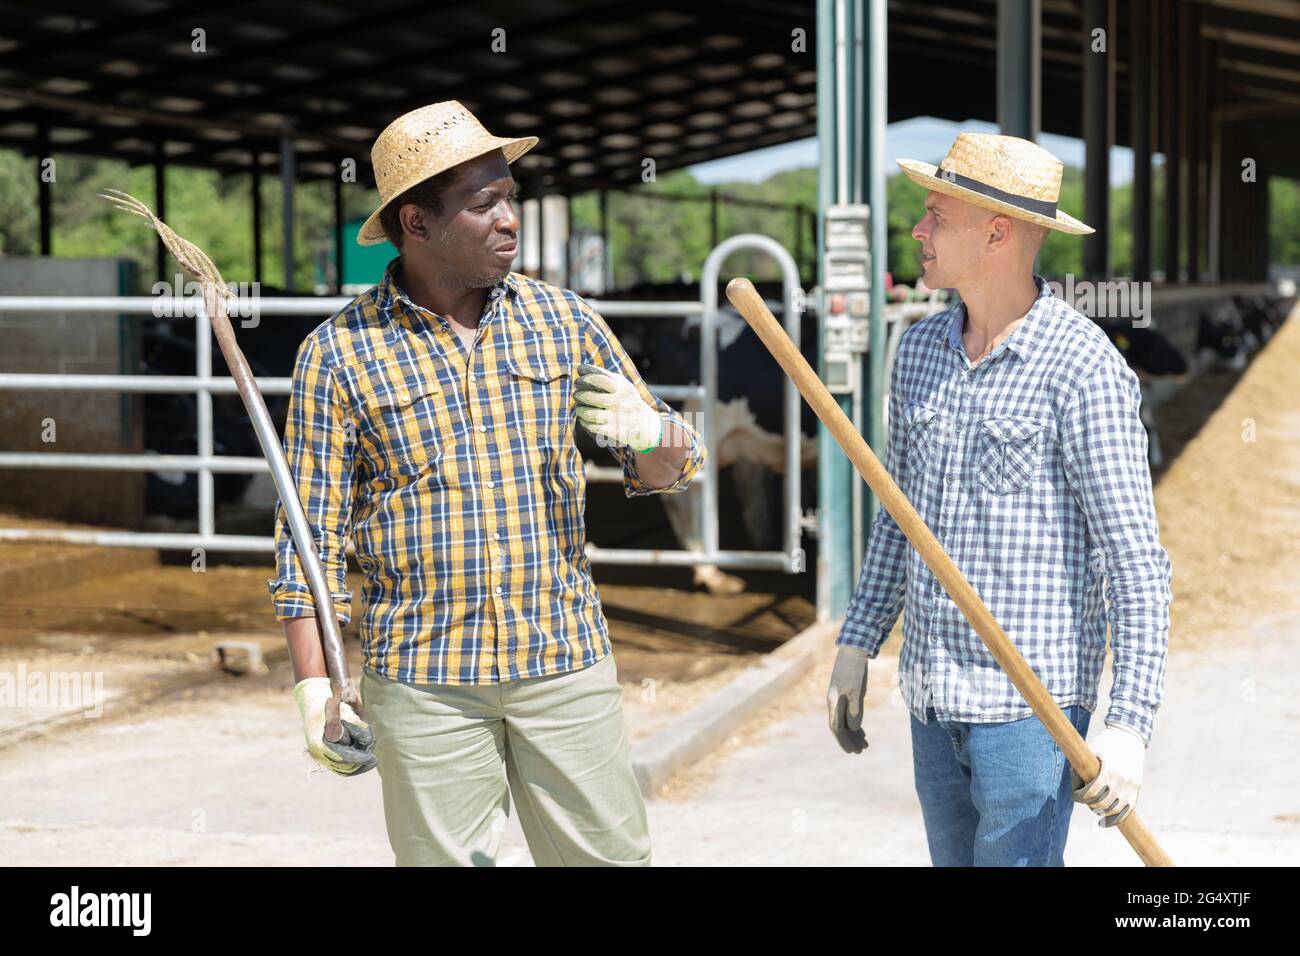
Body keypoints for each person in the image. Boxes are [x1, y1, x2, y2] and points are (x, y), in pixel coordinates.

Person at [267, 101, 707, 866]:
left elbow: (674, 466)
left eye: (511, 196)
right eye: (485, 203)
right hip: (426, 679)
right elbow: (307, 540)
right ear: (417, 222)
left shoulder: (562, 321)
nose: (511, 219)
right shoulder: (338, 355)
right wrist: (316, 688)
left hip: (562, 660)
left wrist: (653, 433)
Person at [826, 132, 1172, 866]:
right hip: (931, 698)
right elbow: (899, 518)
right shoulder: (917, 353)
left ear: (996, 233)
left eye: (935, 216)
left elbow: (1136, 562)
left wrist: (1129, 726)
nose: (917, 230)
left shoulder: (1081, 368)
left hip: (1032, 717)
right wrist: (859, 641)